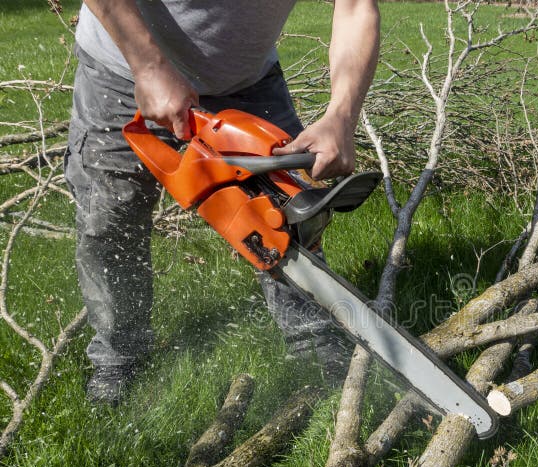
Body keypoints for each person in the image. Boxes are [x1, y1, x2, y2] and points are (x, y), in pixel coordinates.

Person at [65, 0, 380, 404]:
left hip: (246, 80)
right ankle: (119, 355)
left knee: (289, 214)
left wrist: (342, 114)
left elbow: (355, 7)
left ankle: (314, 340)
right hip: (120, 64)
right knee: (110, 219)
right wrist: (148, 66)